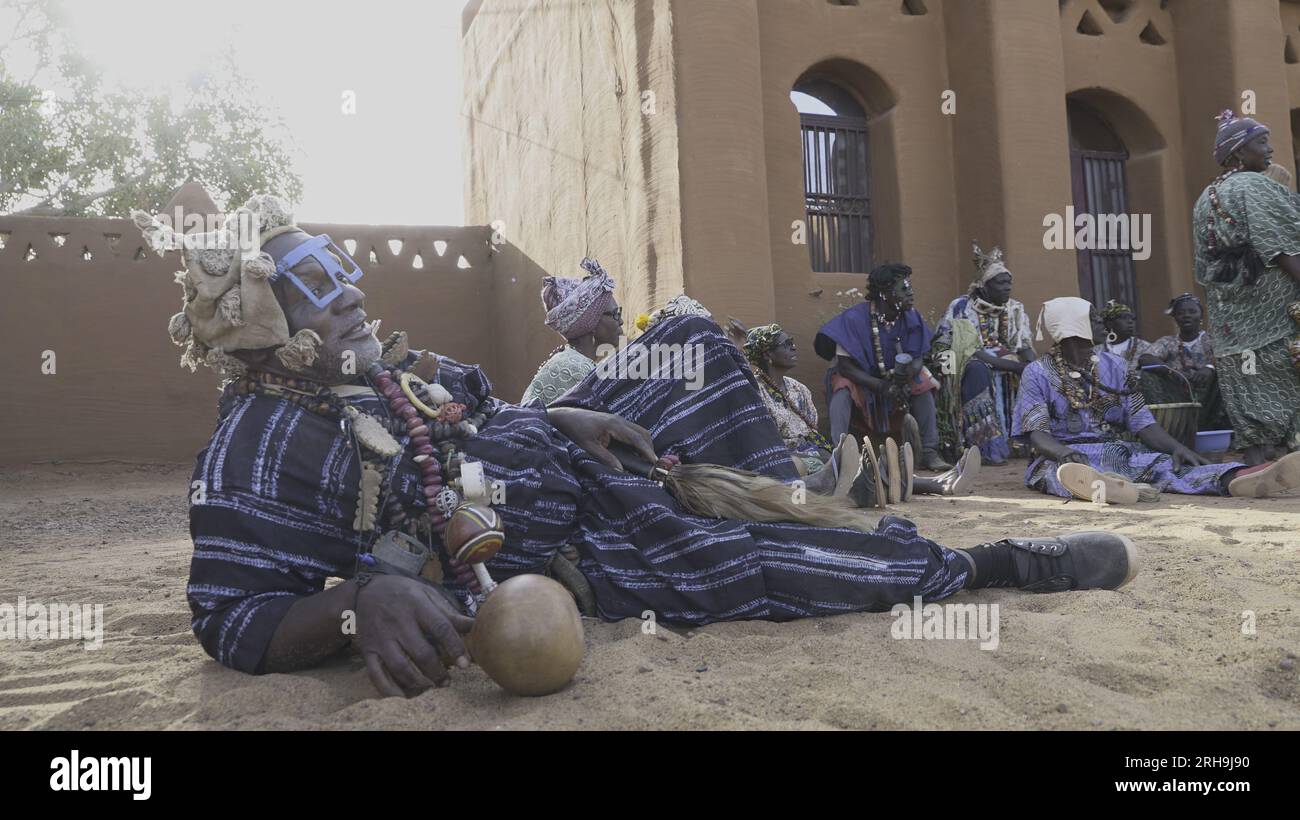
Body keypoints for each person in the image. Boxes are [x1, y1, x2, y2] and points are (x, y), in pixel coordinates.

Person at [139, 194, 1146, 698]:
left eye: (350, 280)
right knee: (756, 565)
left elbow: (484, 406)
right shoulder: (256, 448)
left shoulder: (385, 365)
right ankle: (986, 563)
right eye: (329, 293)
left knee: (694, 341)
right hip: (559, 547)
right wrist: (359, 600)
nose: (357, 296)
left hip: (572, 451)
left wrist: (574, 418)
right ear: (271, 327)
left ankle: (777, 487)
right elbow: (231, 616)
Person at [1010, 297, 1300, 503]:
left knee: (1166, 465)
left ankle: (1237, 479)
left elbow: (1142, 423)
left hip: (1116, 451)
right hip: (1064, 455)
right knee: (1058, 475)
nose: (1103, 324)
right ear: (1074, 327)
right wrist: (1062, 454)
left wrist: (1179, 448)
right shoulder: (1036, 373)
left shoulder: (1115, 366)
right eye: (1096, 320)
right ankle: (1107, 486)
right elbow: (1036, 432)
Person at [1192, 109, 1300, 464]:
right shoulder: (1255, 186)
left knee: (1248, 388)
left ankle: (1258, 464)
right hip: (1274, 317)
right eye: (1261, 142)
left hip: (1231, 324)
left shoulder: (1205, 196)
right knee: (1287, 383)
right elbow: (1281, 248)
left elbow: (1204, 267)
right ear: (1238, 152)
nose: (1270, 149)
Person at [816, 262, 951, 471]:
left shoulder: (911, 317)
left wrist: (904, 378)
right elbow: (845, 366)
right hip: (862, 379)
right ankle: (839, 453)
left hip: (897, 379)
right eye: (904, 289)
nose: (911, 293)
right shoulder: (854, 319)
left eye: (910, 287)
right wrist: (880, 386)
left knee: (923, 379)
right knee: (842, 384)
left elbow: (917, 359)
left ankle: (929, 452)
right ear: (884, 293)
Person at [933, 242, 1036, 466]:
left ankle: (1025, 442)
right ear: (983, 286)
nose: (1007, 287)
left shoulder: (1015, 309)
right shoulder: (961, 307)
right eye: (1000, 283)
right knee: (979, 370)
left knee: (1037, 374)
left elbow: (1024, 344)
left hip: (1005, 361)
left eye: (1009, 282)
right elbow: (969, 350)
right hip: (962, 363)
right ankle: (984, 445)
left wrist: (1033, 365)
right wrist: (1014, 366)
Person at [520, 259, 621, 405]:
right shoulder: (576, 368)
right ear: (591, 323)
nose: (621, 321)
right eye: (614, 314)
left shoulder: (571, 359)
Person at [1137, 293, 1230, 431]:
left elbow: (1229, 356)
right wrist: (1173, 372)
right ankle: (1169, 427)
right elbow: (1145, 358)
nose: (1186, 315)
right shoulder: (1168, 342)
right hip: (1178, 395)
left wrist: (1210, 368)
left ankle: (1219, 425)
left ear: (1201, 315)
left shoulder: (1214, 339)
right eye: (1181, 313)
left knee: (1228, 374)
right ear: (1174, 318)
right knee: (1148, 375)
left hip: (1211, 397)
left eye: (1192, 311)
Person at [1094, 300, 1153, 373]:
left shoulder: (1145, 348)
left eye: (1132, 318)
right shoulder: (1097, 350)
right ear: (1110, 324)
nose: (1130, 321)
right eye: (1124, 317)